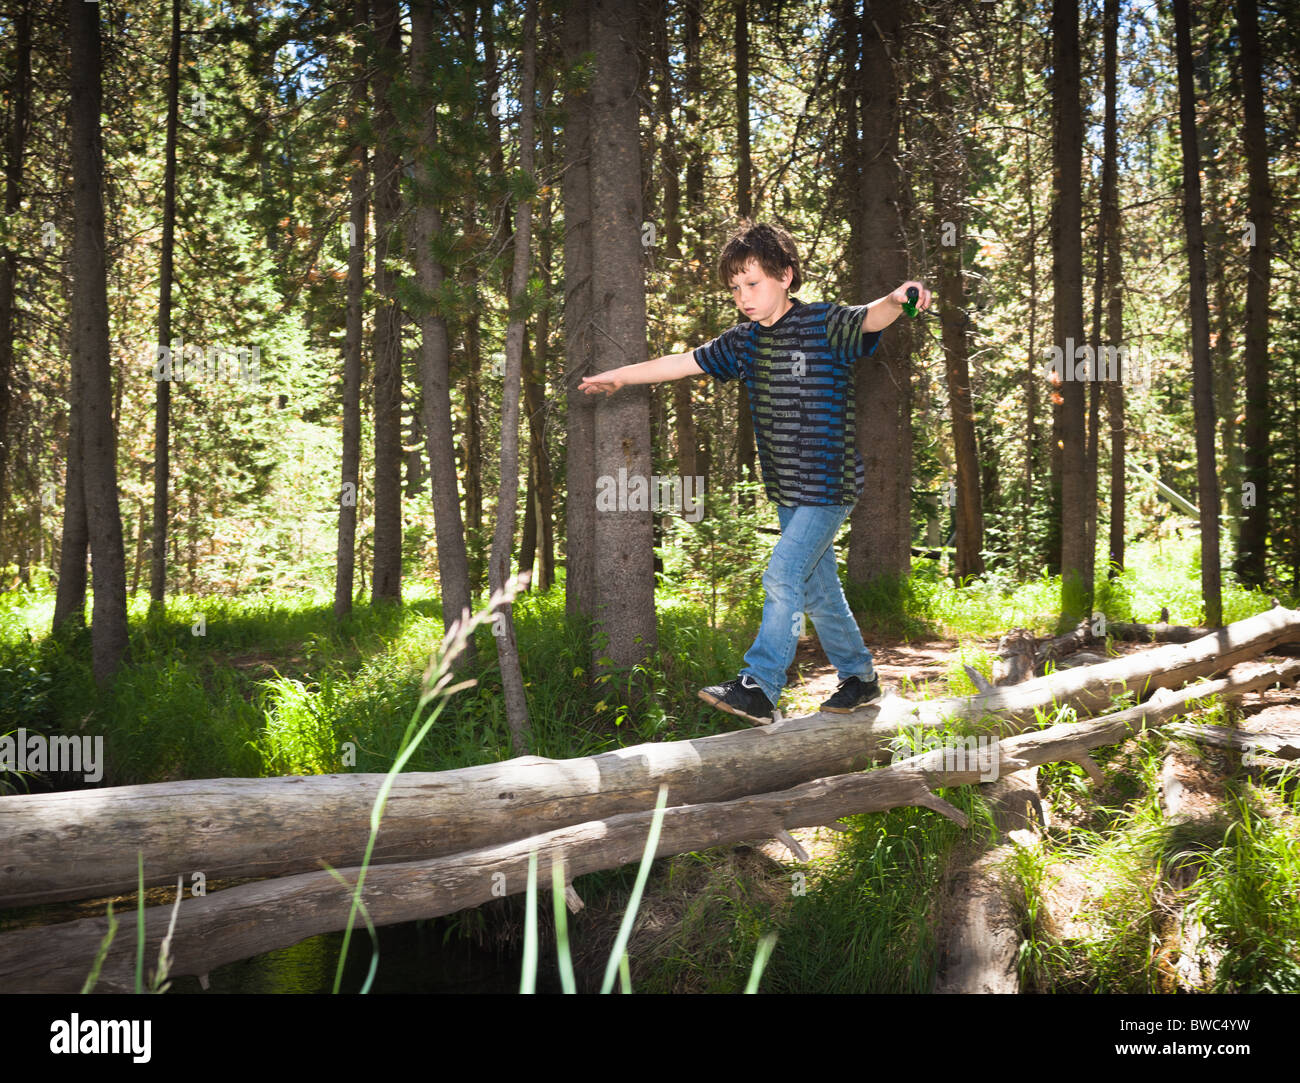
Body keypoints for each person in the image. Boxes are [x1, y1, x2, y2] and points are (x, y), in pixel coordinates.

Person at [578, 220, 931, 725]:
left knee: (783, 575)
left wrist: (900, 298)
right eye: (735, 288)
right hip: (788, 490)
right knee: (817, 588)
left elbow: (872, 317)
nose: (743, 296)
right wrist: (619, 376)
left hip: (828, 487)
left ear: (785, 276)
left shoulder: (824, 323)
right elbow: (682, 362)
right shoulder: (742, 342)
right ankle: (861, 679)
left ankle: (761, 686)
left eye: (753, 283)